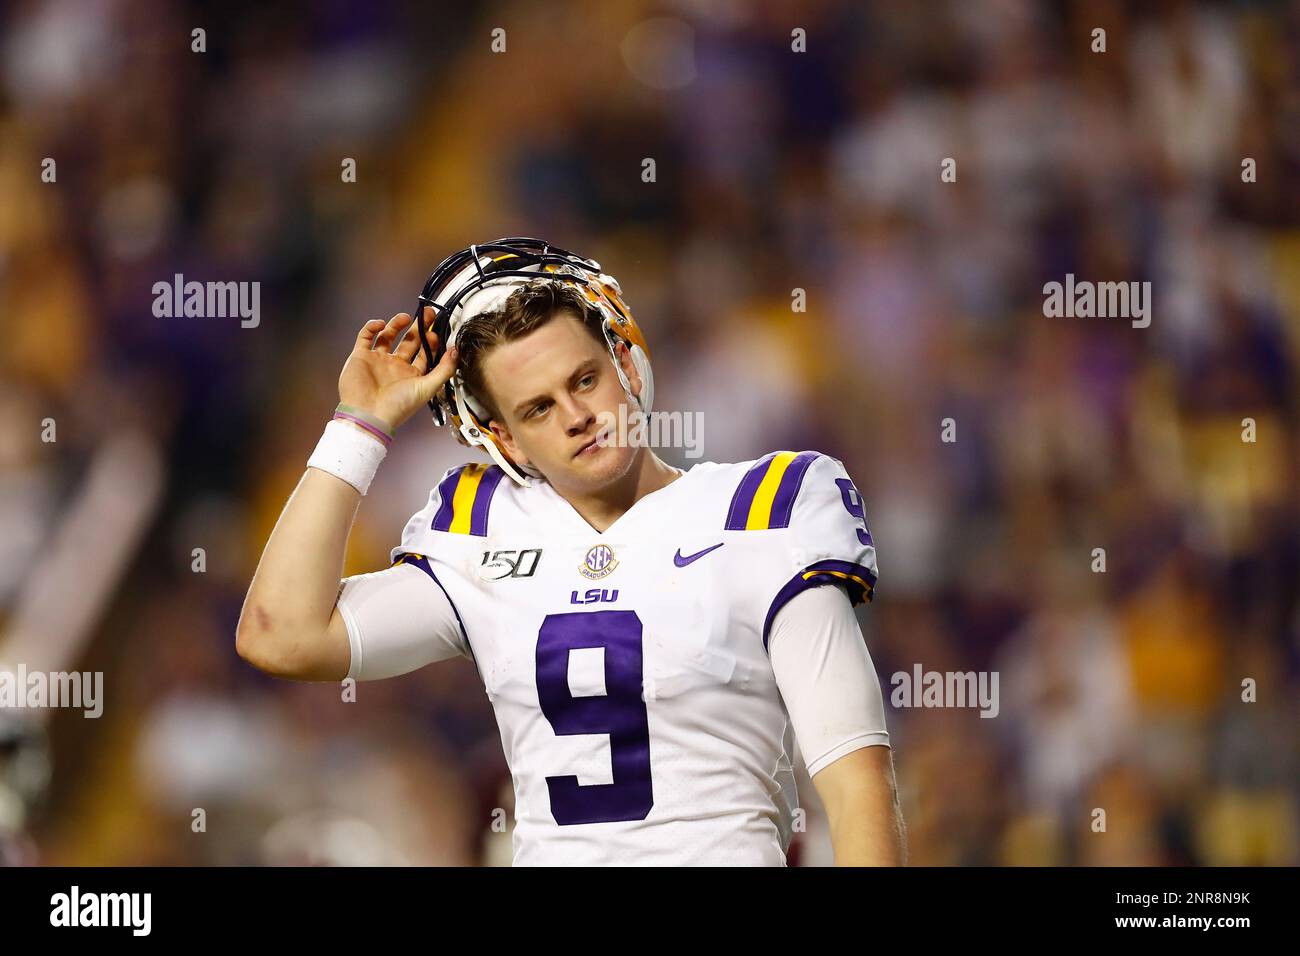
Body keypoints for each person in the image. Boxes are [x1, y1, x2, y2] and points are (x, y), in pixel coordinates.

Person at [236, 239, 905, 865]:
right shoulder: (483, 527)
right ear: (508, 439)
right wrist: (361, 426)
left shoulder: (766, 509)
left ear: (624, 363)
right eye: (538, 408)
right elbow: (279, 634)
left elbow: (857, 785)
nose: (575, 415)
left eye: (584, 380)